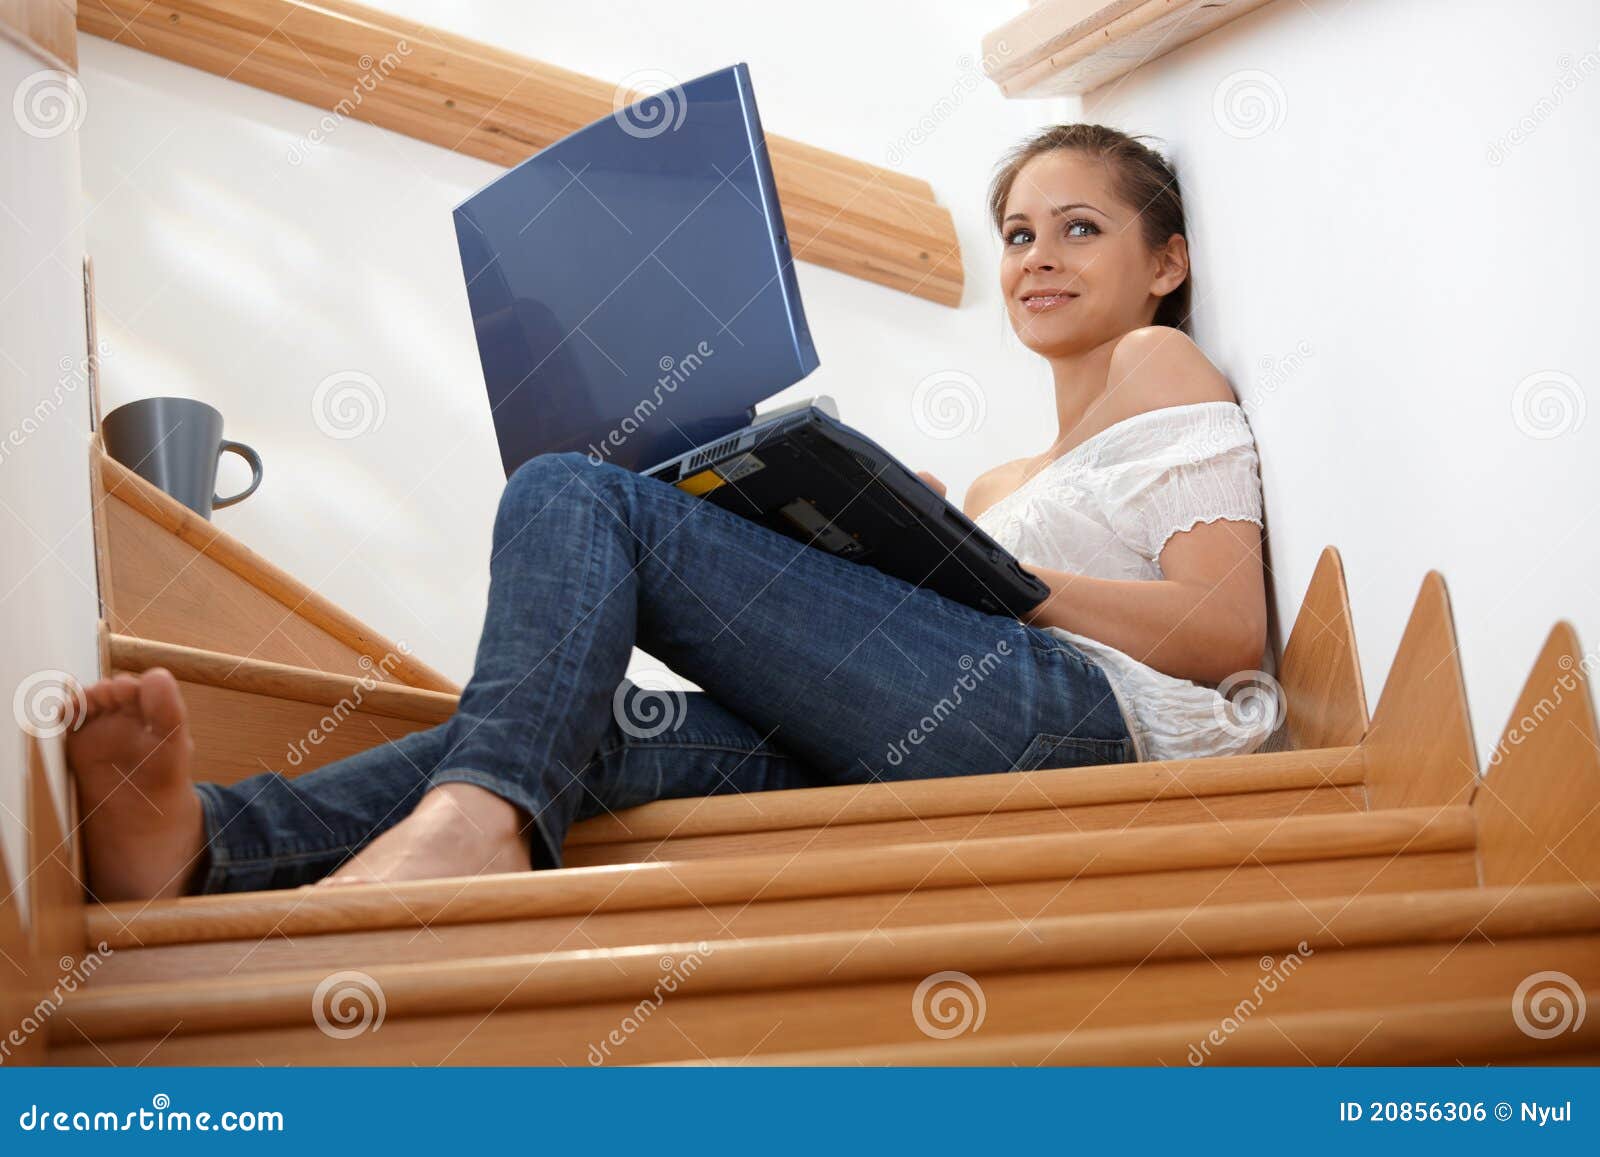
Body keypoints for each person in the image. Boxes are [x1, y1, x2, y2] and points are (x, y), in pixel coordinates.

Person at [65, 124, 1268, 903]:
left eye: (1080, 229)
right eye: (1017, 234)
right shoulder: (1010, 473)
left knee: (574, 494)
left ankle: (474, 826)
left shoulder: (1152, 368)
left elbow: (1224, 632)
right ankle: (210, 843)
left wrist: (1004, 585)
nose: (1036, 257)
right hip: (949, 725)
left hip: (1088, 731)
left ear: (1164, 263)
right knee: (606, 730)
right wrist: (919, 541)